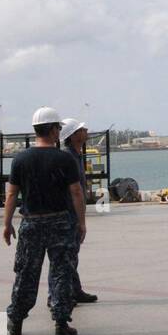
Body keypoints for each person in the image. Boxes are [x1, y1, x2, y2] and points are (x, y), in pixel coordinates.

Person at [2, 107, 86, 335]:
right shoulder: (64, 159)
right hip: (60, 222)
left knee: (26, 273)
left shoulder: (20, 159)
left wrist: (7, 224)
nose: (60, 131)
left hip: (31, 223)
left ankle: (16, 320)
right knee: (61, 272)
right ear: (52, 129)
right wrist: (81, 222)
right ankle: (61, 323)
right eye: (59, 127)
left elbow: (11, 195)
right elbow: (76, 192)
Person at [58, 117, 98, 304]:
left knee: (72, 255)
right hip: (68, 213)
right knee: (66, 256)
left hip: (73, 212)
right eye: (81, 129)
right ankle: (59, 295)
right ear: (73, 136)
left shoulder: (76, 156)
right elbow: (72, 189)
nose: (86, 130)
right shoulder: (67, 157)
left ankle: (75, 289)